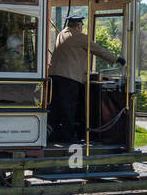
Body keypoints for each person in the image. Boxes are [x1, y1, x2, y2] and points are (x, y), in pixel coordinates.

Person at [47, 14, 125, 146]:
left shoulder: (61, 34)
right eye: (81, 26)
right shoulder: (79, 37)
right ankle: (68, 137)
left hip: (54, 76)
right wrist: (116, 59)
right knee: (69, 108)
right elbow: (98, 49)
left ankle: (54, 135)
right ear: (79, 25)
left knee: (57, 108)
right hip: (69, 77)